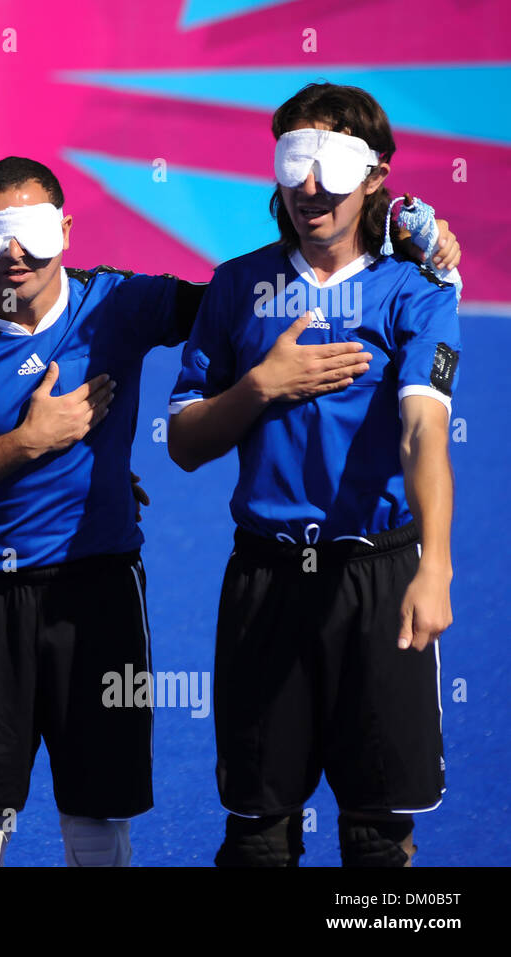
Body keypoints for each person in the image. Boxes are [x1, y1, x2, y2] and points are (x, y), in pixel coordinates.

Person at [166, 82, 460, 867]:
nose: (310, 187)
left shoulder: (417, 290)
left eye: (332, 166)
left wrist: (435, 564)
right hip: (266, 582)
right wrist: (264, 384)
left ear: (376, 175)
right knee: (258, 833)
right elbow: (185, 442)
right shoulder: (235, 286)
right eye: (295, 161)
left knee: (375, 834)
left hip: (380, 577)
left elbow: (425, 431)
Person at [0, 156, 209, 867]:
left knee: (96, 821)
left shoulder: (123, 305)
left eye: (31, 230)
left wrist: (390, 241)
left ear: (65, 228)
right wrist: (29, 442)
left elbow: (235, 301)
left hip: (97, 593)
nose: (13, 253)